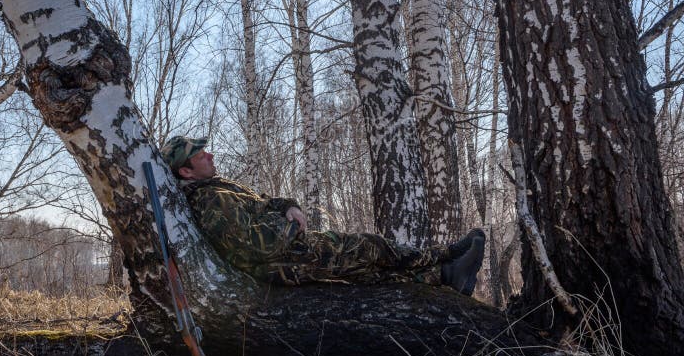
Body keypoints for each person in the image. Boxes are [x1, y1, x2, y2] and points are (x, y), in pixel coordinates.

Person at [160, 135, 484, 294]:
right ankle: (445, 255)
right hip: (284, 262)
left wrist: (288, 206)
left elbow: (265, 203)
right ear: (186, 172)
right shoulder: (210, 201)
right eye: (200, 156)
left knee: (367, 274)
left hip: (292, 251)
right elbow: (251, 247)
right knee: (370, 248)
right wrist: (289, 227)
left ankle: (446, 276)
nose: (210, 155)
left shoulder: (217, 187)